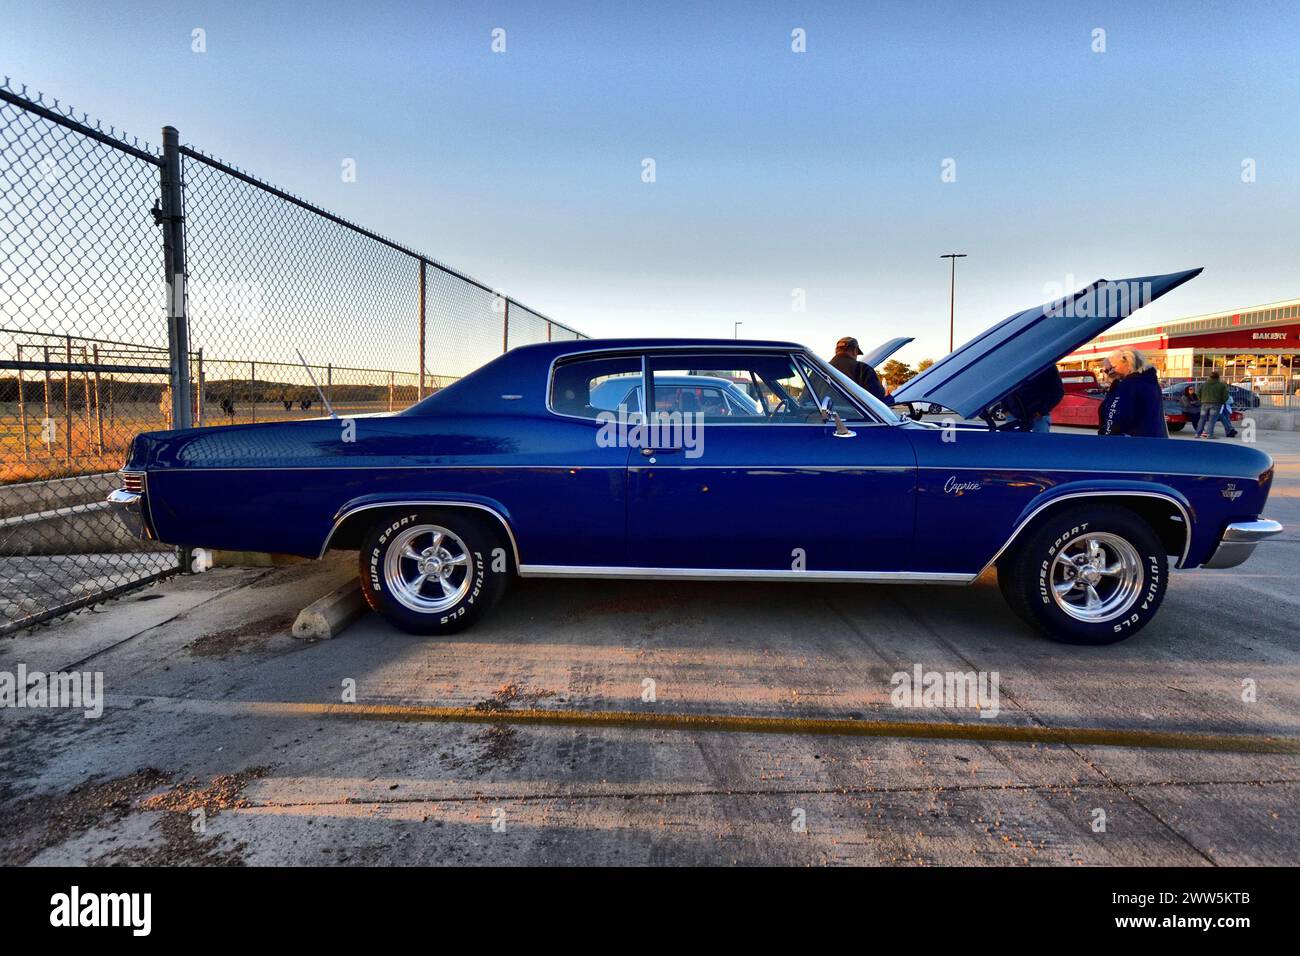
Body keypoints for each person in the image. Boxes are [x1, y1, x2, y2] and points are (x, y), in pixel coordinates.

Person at [1097, 348, 1166, 438]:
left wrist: (1107, 436)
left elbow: (1117, 417)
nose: (1111, 372)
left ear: (1127, 363)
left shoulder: (1129, 385)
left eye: (1113, 367)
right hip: (1150, 440)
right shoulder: (1151, 383)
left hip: (1130, 443)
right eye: (1107, 370)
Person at [1003, 364, 1064, 432]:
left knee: (1039, 441)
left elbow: (1058, 391)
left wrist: (1042, 411)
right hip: (1013, 413)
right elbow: (1003, 388)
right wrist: (1005, 409)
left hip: (1038, 415)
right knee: (1012, 441)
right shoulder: (1011, 363)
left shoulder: (1046, 363)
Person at [829, 336, 887, 403]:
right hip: (850, 413)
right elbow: (877, 398)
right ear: (855, 351)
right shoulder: (863, 369)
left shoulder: (819, 370)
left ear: (836, 351)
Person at [1196, 370, 1230, 439]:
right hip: (1216, 404)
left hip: (1204, 404)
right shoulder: (1221, 385)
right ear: (1218, 377)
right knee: (1212, 420)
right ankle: (1209, 434)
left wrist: (1201, 400)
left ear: (1209, 377)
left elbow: (1198, 393)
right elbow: (1226, 396)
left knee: (1202, 419)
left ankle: (1197, 434)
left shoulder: (1204, 384)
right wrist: (1222, 402)